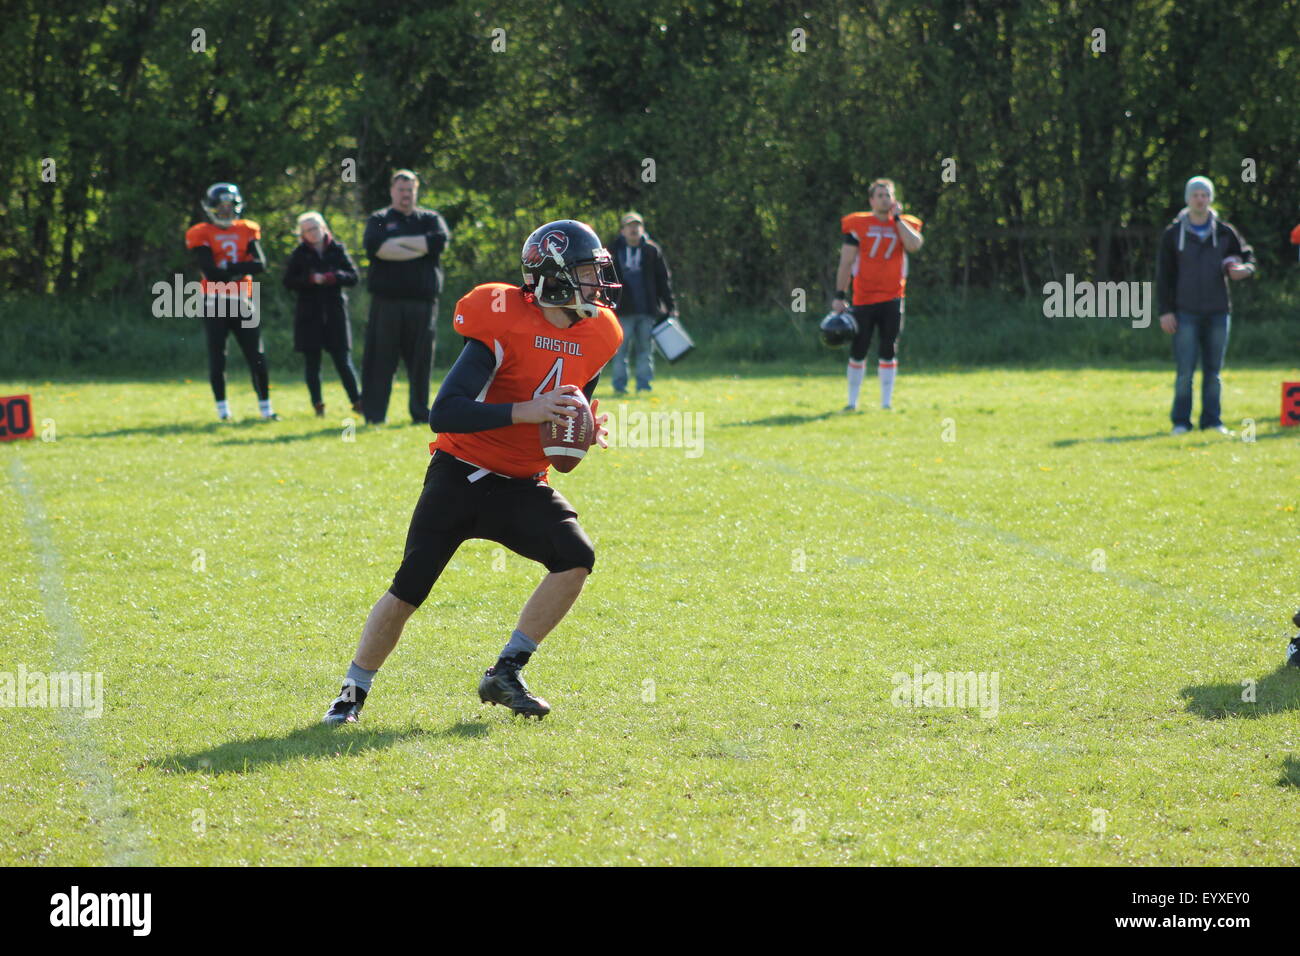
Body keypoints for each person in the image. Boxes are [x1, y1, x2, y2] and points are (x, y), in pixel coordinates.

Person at [323, 220, 623, 724]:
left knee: (576, 556)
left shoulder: (599, 333)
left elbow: (569, 413)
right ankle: (351, 694)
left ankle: (506, 670)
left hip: (524, 482)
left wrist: (584, 430)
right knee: (409, 588)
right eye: (588, 271)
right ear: (554, 275)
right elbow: (445, 411)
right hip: (461, 474)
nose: (598, 282)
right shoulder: (502, 316)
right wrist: (524, 411)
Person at [1155, 176, 1257, 435]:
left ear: (1210, 199)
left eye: (1205, 195)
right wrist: (1165, 311)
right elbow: (1163, 276)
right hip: (1184, 312)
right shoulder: (1172, 234)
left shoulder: (1225, 232)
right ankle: (1181, 422)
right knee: (1185, 373)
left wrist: (1243, 269)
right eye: (1195, 195)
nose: (1200, 199)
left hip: (1218, 312)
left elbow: (1247, 258)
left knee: (1213, 373)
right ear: (1188, 199)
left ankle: (1212, 421)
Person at [360, 170, 451, 425]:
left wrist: (398, 244)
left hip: (423, 304)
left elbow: (438, 243)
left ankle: (421, 413)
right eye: (401, 190)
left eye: (410, 190)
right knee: (381, 359)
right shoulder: (379, 218)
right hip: (386, 304)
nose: (406, 195)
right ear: (392, 191)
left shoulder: (430, 218)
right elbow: (378, 249)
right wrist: (420, 247)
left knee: (421, 360)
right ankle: (375, 416)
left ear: (416, 191)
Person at [185, 182, 277, 421]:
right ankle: (223, 411)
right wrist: (238, 270)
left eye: (230, 206)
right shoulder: (201, 232)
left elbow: (260, 264)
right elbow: (210, 272)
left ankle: (266, 409)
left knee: (257, 355)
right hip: (214, 300)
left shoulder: (247, 229)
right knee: (218, 356)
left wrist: (229, 268)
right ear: (212, 208)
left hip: (243, 300)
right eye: (221, 207)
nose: (226, 211)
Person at [831, 179, 924, 412]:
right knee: (859, 348)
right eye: (880, 195)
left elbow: (914, 245)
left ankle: (886, 404)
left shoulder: (903, 223)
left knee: (888, 348)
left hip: (893, 296)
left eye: (888, 195)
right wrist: (839, 295)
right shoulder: (858, 224)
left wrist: (897, 220)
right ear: (871, 200)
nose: (885, 199)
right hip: (864, 297)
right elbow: (846, 262)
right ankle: (852, 402)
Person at [282, 212, 363, 418]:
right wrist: (309, 279)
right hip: (309, 316)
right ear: (302, 234)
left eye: (315, 227)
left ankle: (358, 402)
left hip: (335, 313)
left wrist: (332, 277)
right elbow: (289, 281)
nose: (313, 232)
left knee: (343, 361)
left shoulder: (338, 250)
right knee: (312, 363)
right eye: (308, 230)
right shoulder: (299, 254)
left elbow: (353, 276)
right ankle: (318, 406)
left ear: (324, 228)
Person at [606, 211, 676, 395]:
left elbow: (663, 280)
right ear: (623, 230)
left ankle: (644, 386)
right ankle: (619, 386)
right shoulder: (612, 251)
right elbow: (604, 280)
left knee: (645, 350)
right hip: (622, 311)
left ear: (642, 229)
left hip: (647, 309)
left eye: (637, 226)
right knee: (620, 351)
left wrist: (670, 306)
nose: (633, 229)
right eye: (630, 226)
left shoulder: (652, 250)